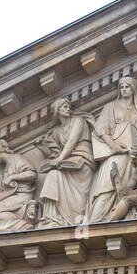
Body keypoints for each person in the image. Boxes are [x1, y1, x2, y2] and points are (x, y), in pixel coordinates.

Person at [88, 76, 137, 221]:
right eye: (121, 87)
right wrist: (113, 146)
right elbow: (101, 129)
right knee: (107, 187)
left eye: (127, 86)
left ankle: (117, 214)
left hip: (133, 156)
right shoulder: (112, 106)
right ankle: (96, 219)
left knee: (125, 187)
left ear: (133, 89)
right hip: (115, 154)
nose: (123, 89)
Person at [37, 97, 96, 227]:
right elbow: (55, 154)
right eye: (64, 106)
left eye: (68, 106)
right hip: (67, 163)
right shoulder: (57, 132)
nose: (68, 108)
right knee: (53, 175)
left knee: (79, 200)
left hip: (83, 162)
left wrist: (59, 159)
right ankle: (52, 218)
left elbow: (71, 142)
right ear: (57, 111)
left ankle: (74, 218)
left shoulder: (78, 121)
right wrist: (42, 147)